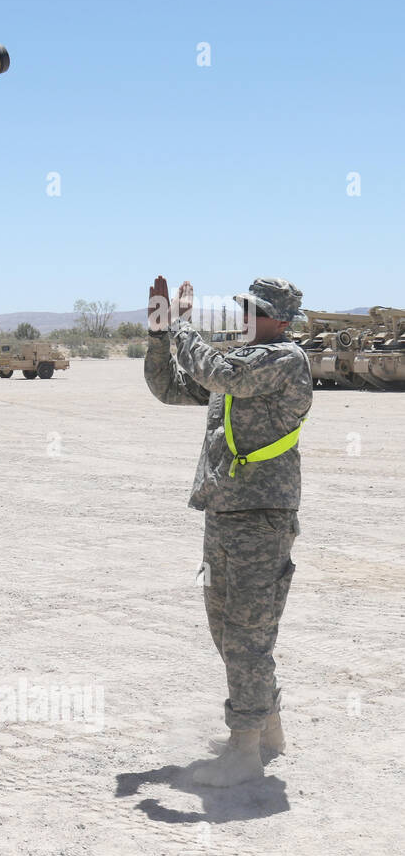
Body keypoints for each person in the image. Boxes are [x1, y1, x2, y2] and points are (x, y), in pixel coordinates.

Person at [144, 276, 313, 786]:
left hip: (261, 516)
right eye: (243, 309)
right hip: (225, 513)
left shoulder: (282, 358)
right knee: (228, 631)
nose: (244, 319)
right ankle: (266, 729)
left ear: (281, 320)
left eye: (255, 311)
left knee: (246, 634)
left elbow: (218, 371)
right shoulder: (243, 361)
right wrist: (158, 334)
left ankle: (244, 750)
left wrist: (183, 325)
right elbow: (171, 388)